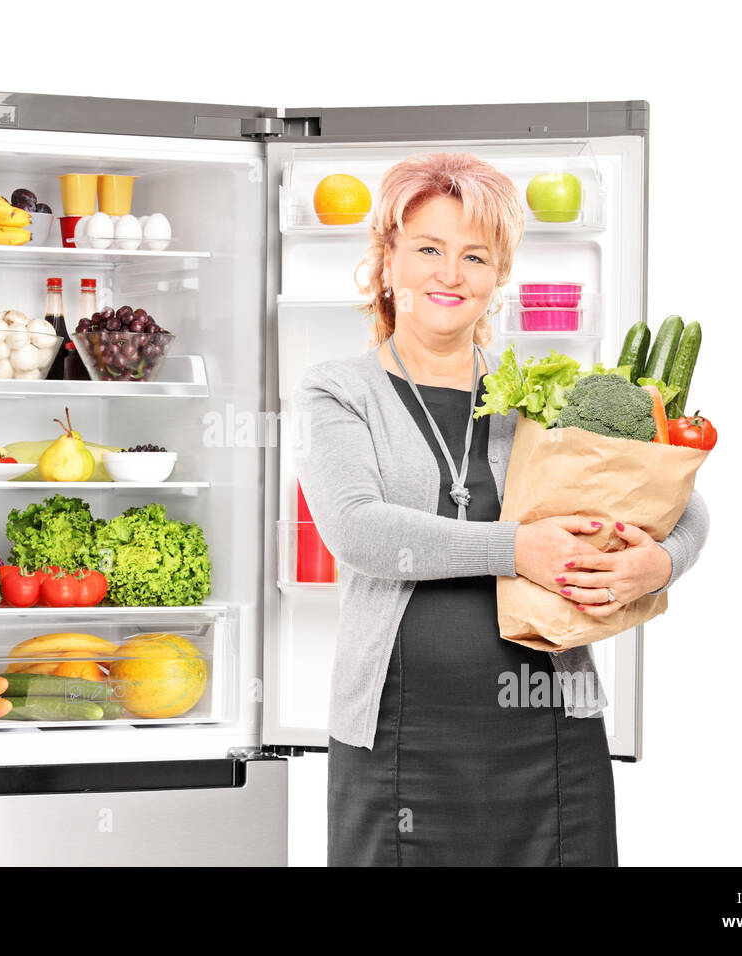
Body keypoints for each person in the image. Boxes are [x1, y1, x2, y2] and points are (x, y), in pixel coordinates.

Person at [293, 152, 709, 866]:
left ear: (498, 277)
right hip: (398, 739)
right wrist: (516, 548)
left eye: (475, 256)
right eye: (427, 249)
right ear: (387, 262)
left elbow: (677, 493)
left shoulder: (539, 393)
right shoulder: (337, 391)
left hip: (548, 735)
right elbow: (356, 529)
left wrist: (659, 563)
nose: (449, 275)